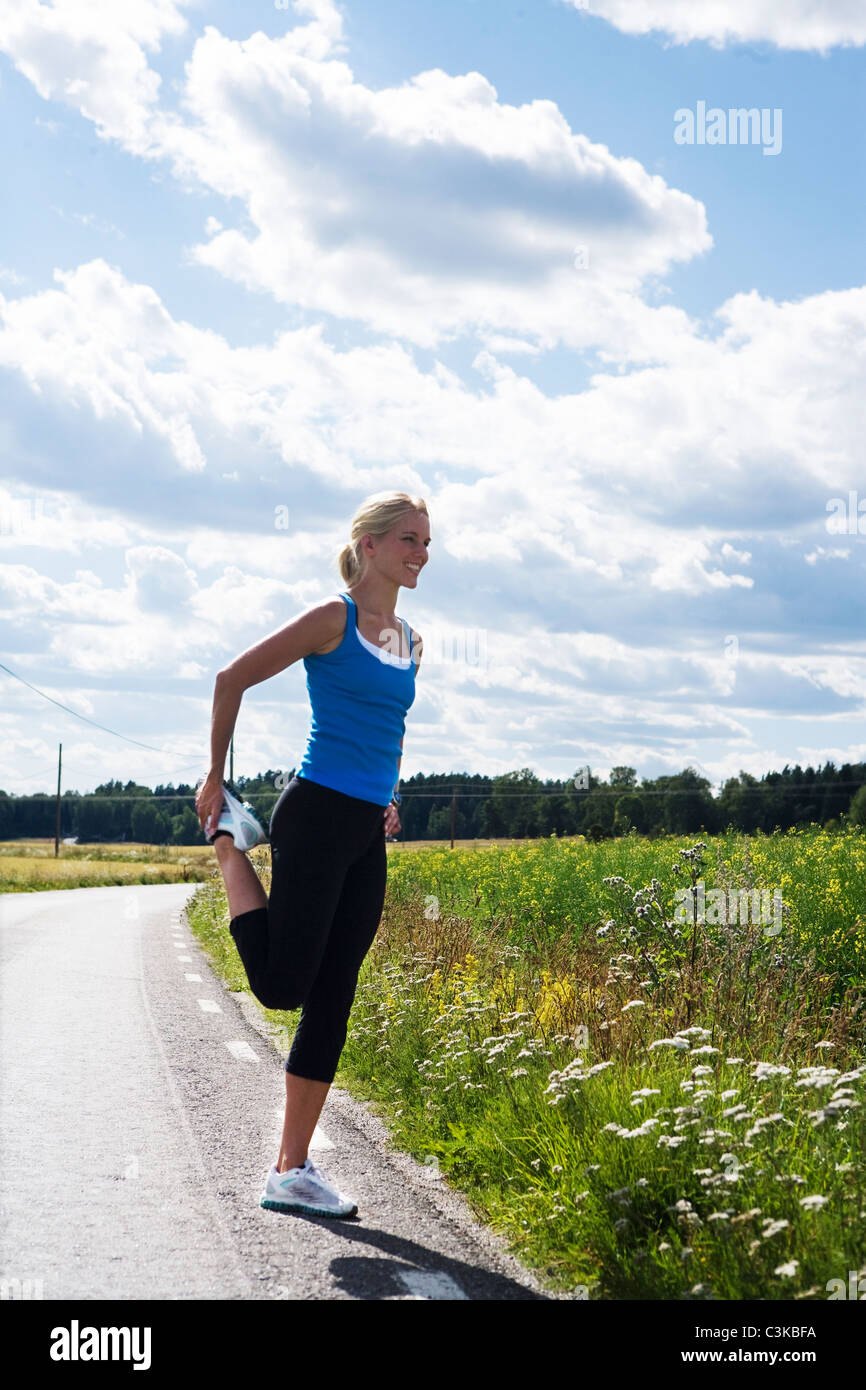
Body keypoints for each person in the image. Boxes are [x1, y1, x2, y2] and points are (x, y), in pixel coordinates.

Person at [194, 491, 429, 1219]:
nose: (421, 554)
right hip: (317, 811)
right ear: (369, 544)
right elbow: (230, 677)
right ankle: (233, 844)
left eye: (426, 542)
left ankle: (290, 1169)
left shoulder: (412, 642)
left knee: (335, 996)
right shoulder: (336, 618)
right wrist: (214, 774)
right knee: (282, 987)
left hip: (363, 824)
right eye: (408, 540)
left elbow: (384, 727)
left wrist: (386, 796)